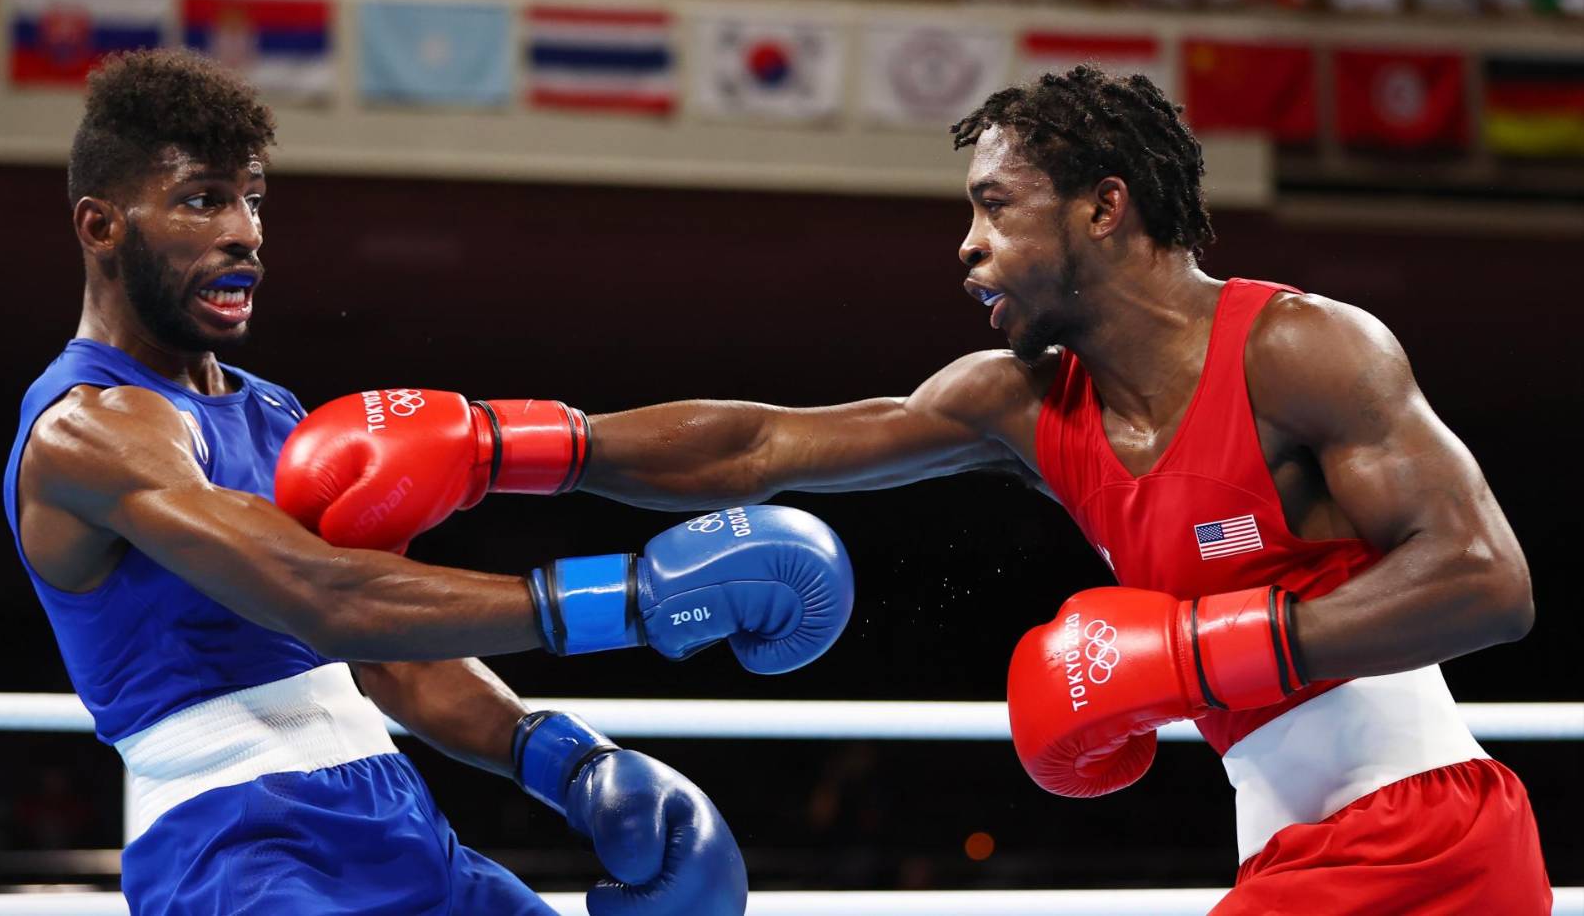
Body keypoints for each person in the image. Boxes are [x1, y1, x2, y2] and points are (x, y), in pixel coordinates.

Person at [298, 66, 1549, 912]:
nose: (966, 245)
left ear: (1102, 207)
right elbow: (759, 447)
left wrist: (1194, 654)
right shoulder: (1022, 402)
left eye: (993, 208)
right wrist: (512, 445)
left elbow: (1486, 580)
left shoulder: (1299, 348)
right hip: (1292, 846)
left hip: (1423, 832)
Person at [3, 49, 854, 916]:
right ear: (101, 227)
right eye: (201, 200)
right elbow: (325, 596)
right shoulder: (86, 431)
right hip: (237, 850)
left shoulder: (275, 413)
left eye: (252, 200)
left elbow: (391, 653)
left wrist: (569, 761)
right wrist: (631, 598)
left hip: (395, 819)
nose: (245, 232)